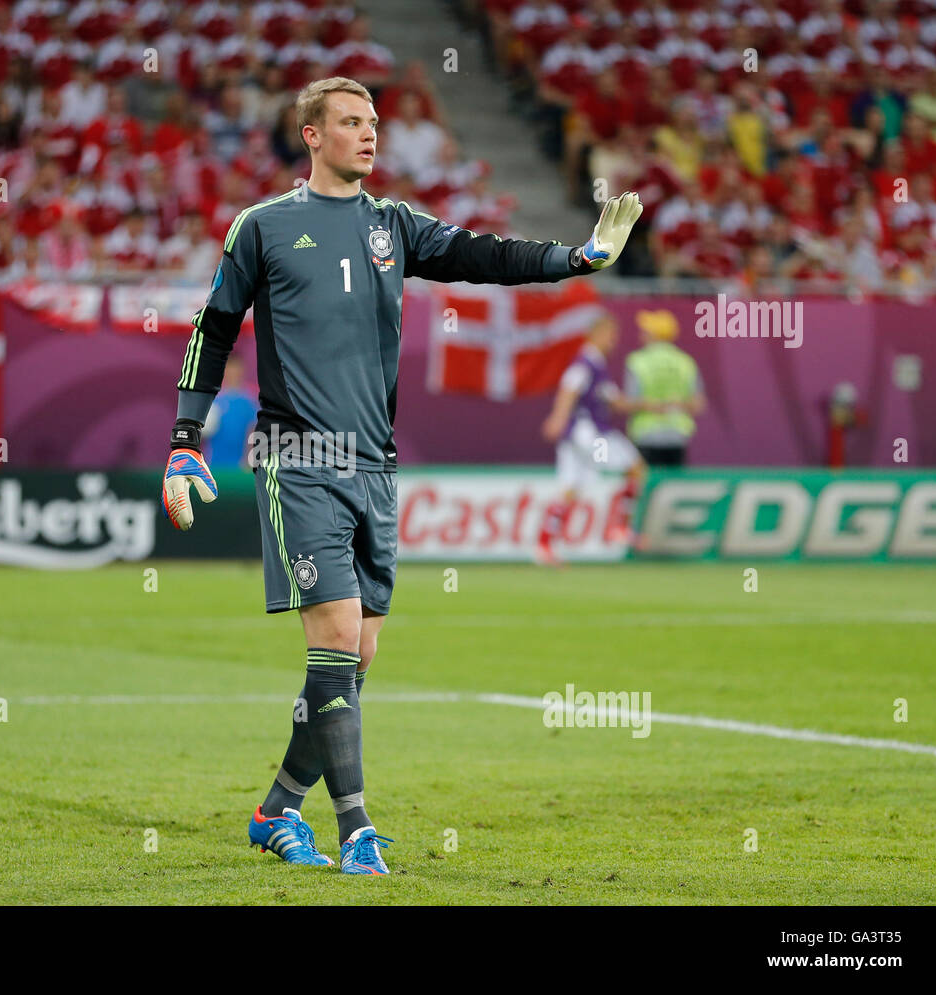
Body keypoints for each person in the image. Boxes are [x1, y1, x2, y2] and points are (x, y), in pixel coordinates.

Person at [161, 76, 643, 874]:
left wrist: (576, 258)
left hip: (375, 466)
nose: (369, 133)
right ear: (312, 136)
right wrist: (186, 437)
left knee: (358, 658)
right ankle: (356, 830)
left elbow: (484, 255)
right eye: (350, 122)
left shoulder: (395, 225)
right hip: (299, 458)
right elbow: (213, 328)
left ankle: (276, 810)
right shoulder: (262, 227)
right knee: (337, 636)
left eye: (373, 121)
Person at [537, 312, 654, 567]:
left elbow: (616, 402)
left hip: (575, 437)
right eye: (611, 335)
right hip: (588, 432)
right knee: (636, 469)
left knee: (569, 490)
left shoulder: (598, 367)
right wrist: (557, 417)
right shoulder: (585, 363)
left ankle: (544, 546)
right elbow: (570, 387)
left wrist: (650, 405)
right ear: (597, 334)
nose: (614, 341)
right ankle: (620, 527)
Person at [623, 309, 706, 467]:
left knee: (646, 487)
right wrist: (675, 406)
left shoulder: (637, 361)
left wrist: (651, 406)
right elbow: (698, 404)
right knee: (671, 484)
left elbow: (629, 402)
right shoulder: (686, 362)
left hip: (645, 434)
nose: (641, 334)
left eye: (646, 331)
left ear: (656, 334)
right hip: (677, 435)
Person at [200, 356, 255, 469]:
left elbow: (253, 432)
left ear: (242, 370)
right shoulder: (212, 400)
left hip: (240, 467)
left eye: (236, 368)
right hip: (214, 465)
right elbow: (201, 435)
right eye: (230, 368)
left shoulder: (250, 401)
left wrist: (248, 461)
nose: (233, 372)